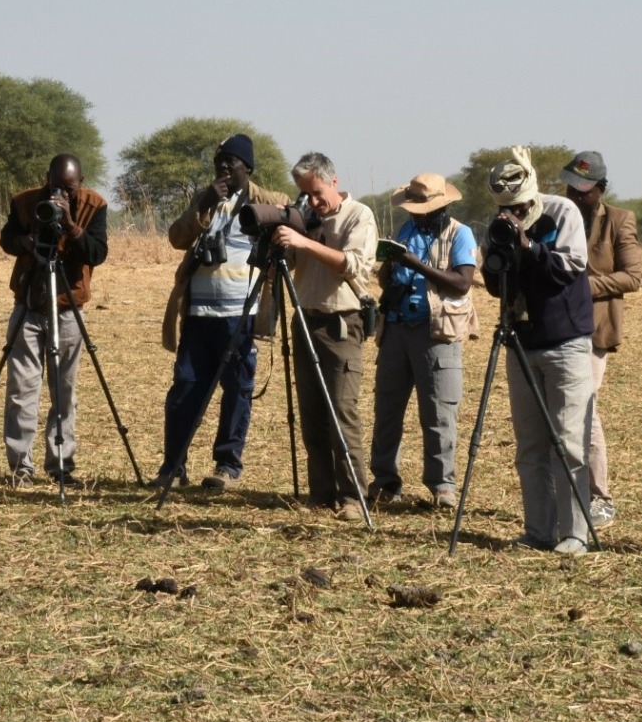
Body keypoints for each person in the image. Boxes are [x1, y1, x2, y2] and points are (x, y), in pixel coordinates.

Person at [155, 134, 291, 492]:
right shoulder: (207, 199)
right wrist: (204, 202)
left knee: (237, 390)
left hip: (241, 314)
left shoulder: (268, 201)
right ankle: (173, 466)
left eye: (231, 162)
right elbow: (177, 238)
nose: (224, 168)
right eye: (219, 163)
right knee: (185, 387)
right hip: (198, 313)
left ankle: (226, 466)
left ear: (248, 167)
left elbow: (294, 223)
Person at [482, 146, 595, 555]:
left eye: (519, 206)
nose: (514, 212)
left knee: (568, 443)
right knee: (530, 446)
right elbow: (495, 286)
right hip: (520, 341)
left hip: (565, 342)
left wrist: (528, 246)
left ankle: (574, 533)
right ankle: (539, 530)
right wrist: (501, 252)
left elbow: (568, 269)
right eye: (507, 207)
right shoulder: (497, 224)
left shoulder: (562, 212)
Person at [272, 152, 378, 521]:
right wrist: (283, 239)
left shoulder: (359, 215)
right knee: (312, 412)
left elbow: (352, 263)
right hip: (305, 318)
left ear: (333, 181)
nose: (314, 202)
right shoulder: (306, 220)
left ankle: (352, 495)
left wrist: (305, 242)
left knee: (341, 411)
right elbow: (288, 266)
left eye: (318, 194)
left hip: (342, 323)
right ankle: (321, 492)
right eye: (306, 195)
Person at [368, 173, 479, 509]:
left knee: (439, 412)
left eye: (423, 208)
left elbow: (462, 282)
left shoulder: (460, 234)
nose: (416, 213)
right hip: (396, 329)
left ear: (440, 207)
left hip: (437, 332)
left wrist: (416, 264)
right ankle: (385, 481)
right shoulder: (406, 229)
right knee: (387, 410)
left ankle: (442, 486)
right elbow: (391, 277)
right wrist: (388, 264)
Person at [0, 154, 108, 489]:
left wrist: (73, 225)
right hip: (30, 303)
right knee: (21, 387)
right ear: (46, 178)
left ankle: (61, 465)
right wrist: (24, 241)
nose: (60, 193)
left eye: (69, 188)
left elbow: (97, 253)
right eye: (55, 185)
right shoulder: (25, 202)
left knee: (64, 390)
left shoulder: (94, 205)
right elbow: (6, 239)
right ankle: (21, 467)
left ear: (81, 182)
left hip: (68, 307)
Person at [560, 151, 642, 528]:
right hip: (556, 327)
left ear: (601, 189)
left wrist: (584, 286)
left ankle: (600, 497)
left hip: (593, 330)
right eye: (571, 187)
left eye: (584, 190)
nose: (576, 196)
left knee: (585, 411)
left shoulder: (620, 221)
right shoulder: (556, 217)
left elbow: (632, 277)